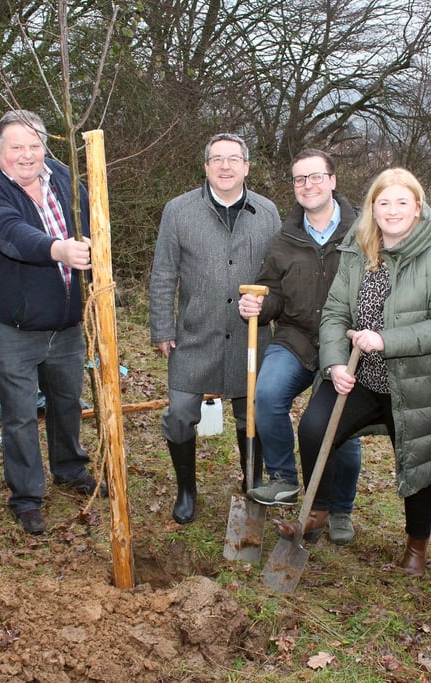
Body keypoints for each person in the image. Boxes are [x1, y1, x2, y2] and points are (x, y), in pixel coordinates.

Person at [275, 168, 431, 578]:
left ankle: (417, 544)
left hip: (415, 382)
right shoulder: (358, 252)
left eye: (401, 202)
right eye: (383, 203)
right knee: (313, 427)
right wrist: (335, 363)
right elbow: (335, 314)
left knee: (417, 460)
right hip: (360, 377)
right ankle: (318, 511)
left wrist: (385, 340)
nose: (392, 211)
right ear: (372, 209)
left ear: (417, 207)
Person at [0, 109, 104, 535]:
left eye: (34, 146)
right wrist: (59, 250)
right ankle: (26, 496)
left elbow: (90, 216)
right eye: (16, 147)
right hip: (14, 327)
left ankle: (69, 467)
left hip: (65, 323)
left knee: (67, 402)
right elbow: (12, 234)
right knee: (21, 413)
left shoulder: (62, 176)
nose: (26, 156)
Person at [149, 133, 281, 525]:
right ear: (206, 166)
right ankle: (186, 490)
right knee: (179, 414)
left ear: (246, 166)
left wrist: (271, 307)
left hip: (250, 334)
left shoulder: (268, 212)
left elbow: (278, 273)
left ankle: (252, 483)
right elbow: (163, 273)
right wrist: (161, 327)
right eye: (217, 159)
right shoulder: (179, 210)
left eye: (233, 159)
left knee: (251, 416)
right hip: (194, 332)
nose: (225, 166)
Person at [240, 149, 363, 545]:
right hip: (294, 337)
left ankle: (340, 510)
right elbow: (272, 293)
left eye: (314, 177)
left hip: (342, 345)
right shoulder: (284, 238)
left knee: (339, 425)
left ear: (332, 180)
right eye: (299, 180)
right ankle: (284, 478)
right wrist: (258, 305)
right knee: (267, 393)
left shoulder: (363, 233)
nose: (307, 186)